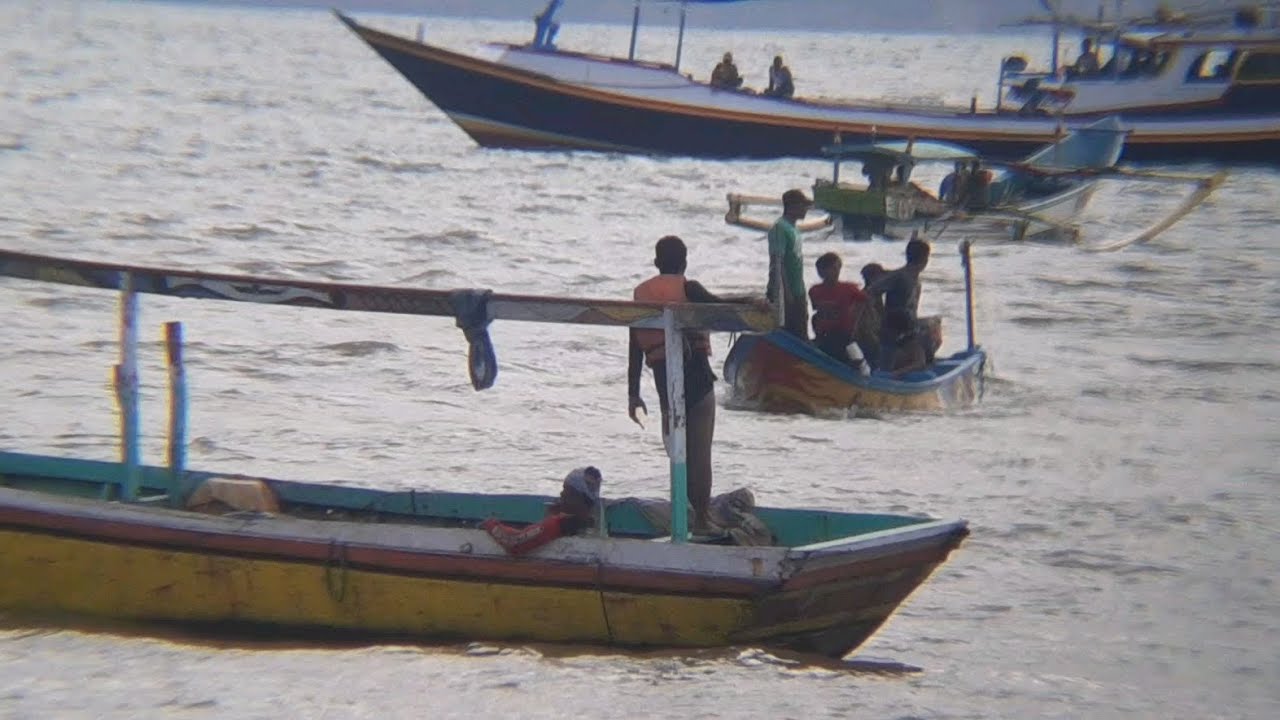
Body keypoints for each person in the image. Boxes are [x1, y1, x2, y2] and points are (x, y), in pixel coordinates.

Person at [628, 235, 733, 532]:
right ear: (685, 263)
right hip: (698, 382)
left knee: (678, 454)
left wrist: (633, 394)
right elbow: (724, 310)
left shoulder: (641, 294)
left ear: (656, 262)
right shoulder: (691, 288)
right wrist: (754, 303)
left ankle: (682, 517)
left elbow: (634, 345)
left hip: (666, 388)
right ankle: (700, 519)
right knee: (701, 455)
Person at [480, 466, 602, 555]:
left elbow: (513, 543)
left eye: (567, 491)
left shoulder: (559, 524)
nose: (561, 494)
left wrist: (490, 524)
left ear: (578, 497)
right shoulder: (588, 522)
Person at [865, 236, 932, 370]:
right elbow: (871, 292)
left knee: (931, 326)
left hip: (908, 328)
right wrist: (880, 314)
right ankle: (894, 374)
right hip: (893, 328)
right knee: (889, 364)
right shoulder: (899, 276)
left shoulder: (914, 279)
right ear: (925, 259)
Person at [807, 252, 877, 370]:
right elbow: (816, 311)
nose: (836, 271)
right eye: (832, 268)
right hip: (824, 334)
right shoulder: (815, 290)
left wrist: (858, 321)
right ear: (820, 271)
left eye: (838, 267)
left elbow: (866, 302)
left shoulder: (849, 288)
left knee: (856, 362)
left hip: (845, 334)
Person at [766, 189, 812, 339]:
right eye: (803, 205)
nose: (806, 209)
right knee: (789, 334)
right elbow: (777, 263)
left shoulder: (794, 229)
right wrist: (786, 293)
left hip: (798, 290)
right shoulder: (780, 228)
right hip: (786, 292)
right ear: (792, 206)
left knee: (801, 333)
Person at [881, 308, 928, 378]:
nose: (885, 330)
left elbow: (920, 363)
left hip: (911, 379)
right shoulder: (890, 342)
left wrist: (898, 373)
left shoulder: (912, 343)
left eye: (887, 328)